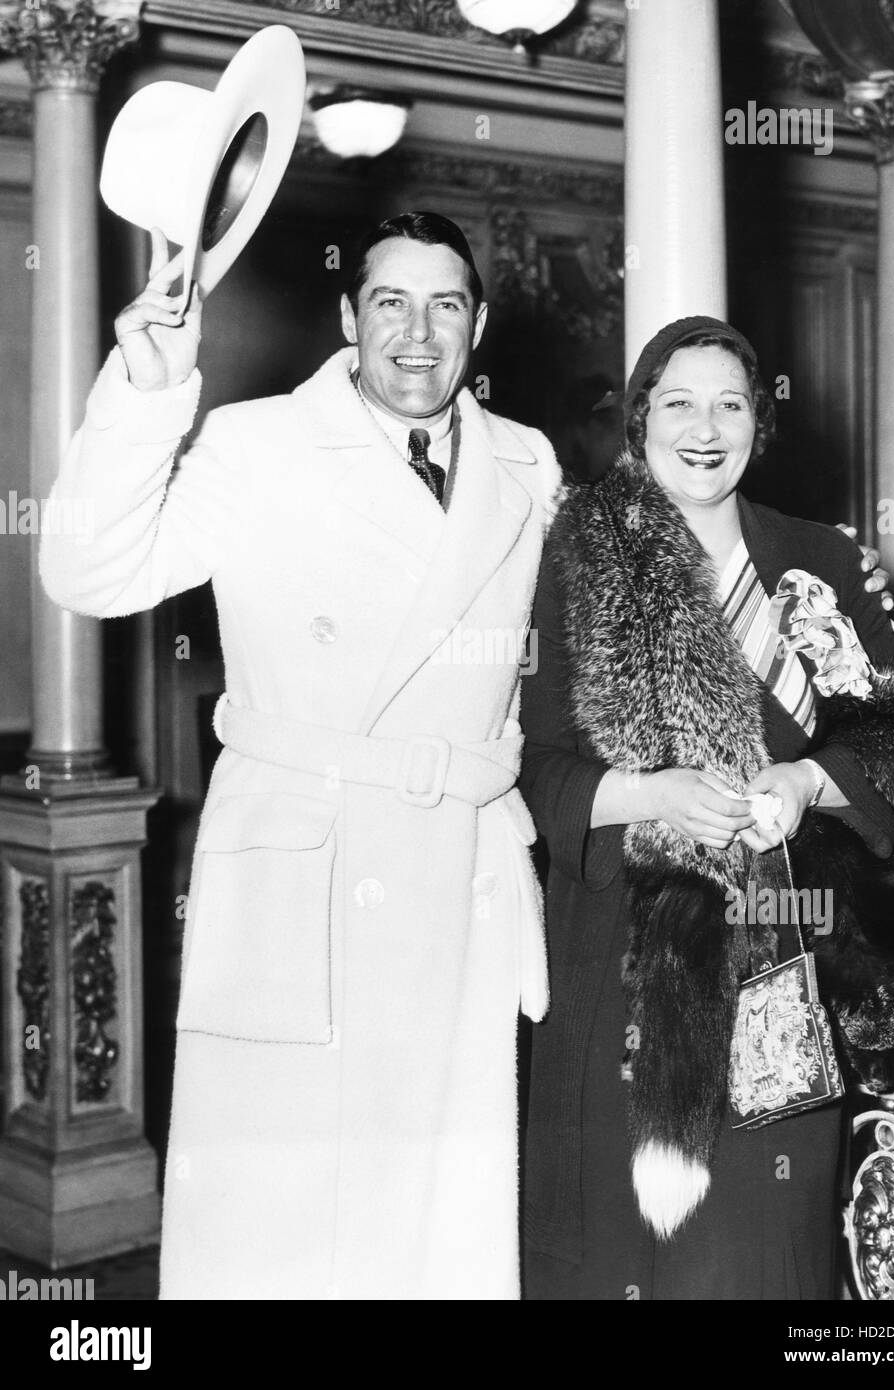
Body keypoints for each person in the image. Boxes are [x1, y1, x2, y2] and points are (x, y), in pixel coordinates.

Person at [39, 211, 560, 1300]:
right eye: (390, 303)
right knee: (279, 1227)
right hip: (304, 868)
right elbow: (88, 572)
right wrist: (143, 395)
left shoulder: (528, 462)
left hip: (458, 868)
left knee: (438, 1219)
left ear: (479, 323)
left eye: (446, 304)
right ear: (347, 317)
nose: (418, 333)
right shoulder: (256, 442)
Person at [519, 316, 894, 1301]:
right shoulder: (577, 561)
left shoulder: (821, 557)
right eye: (678, 402)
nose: (705, 425)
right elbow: (538, 765)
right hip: (618, 954)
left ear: (761, 422)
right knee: (619, 1256)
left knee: (758, 1256)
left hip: (784, 949)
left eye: (730, 402)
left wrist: (808, 781)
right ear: (640, 422)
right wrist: (653, 793)